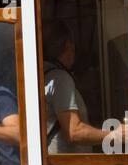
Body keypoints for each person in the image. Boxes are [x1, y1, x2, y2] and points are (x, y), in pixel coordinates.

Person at [41, 23, 106, 153]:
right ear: (68, 46)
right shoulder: (60, 78)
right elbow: (74, 131)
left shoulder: (40, 75)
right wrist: (114, 135)